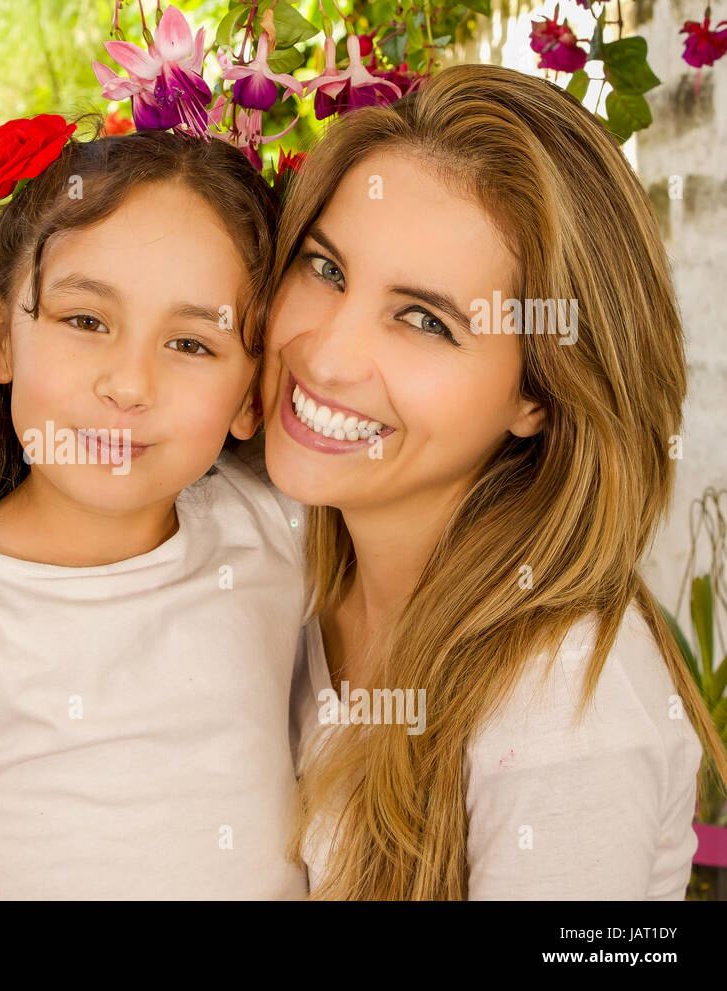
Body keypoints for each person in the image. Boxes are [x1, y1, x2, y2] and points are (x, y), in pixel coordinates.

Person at [0, 115, 308, 899]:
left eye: (191, 344)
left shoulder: (274, 528)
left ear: (250, 394)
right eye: (85, 321)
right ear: (2, 338)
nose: (129, 384)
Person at [259, 62, 727, 899]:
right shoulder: (278, 562)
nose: (324, 355)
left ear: (538, 393)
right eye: (326, 270)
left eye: (424, 320)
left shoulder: (564, 709)